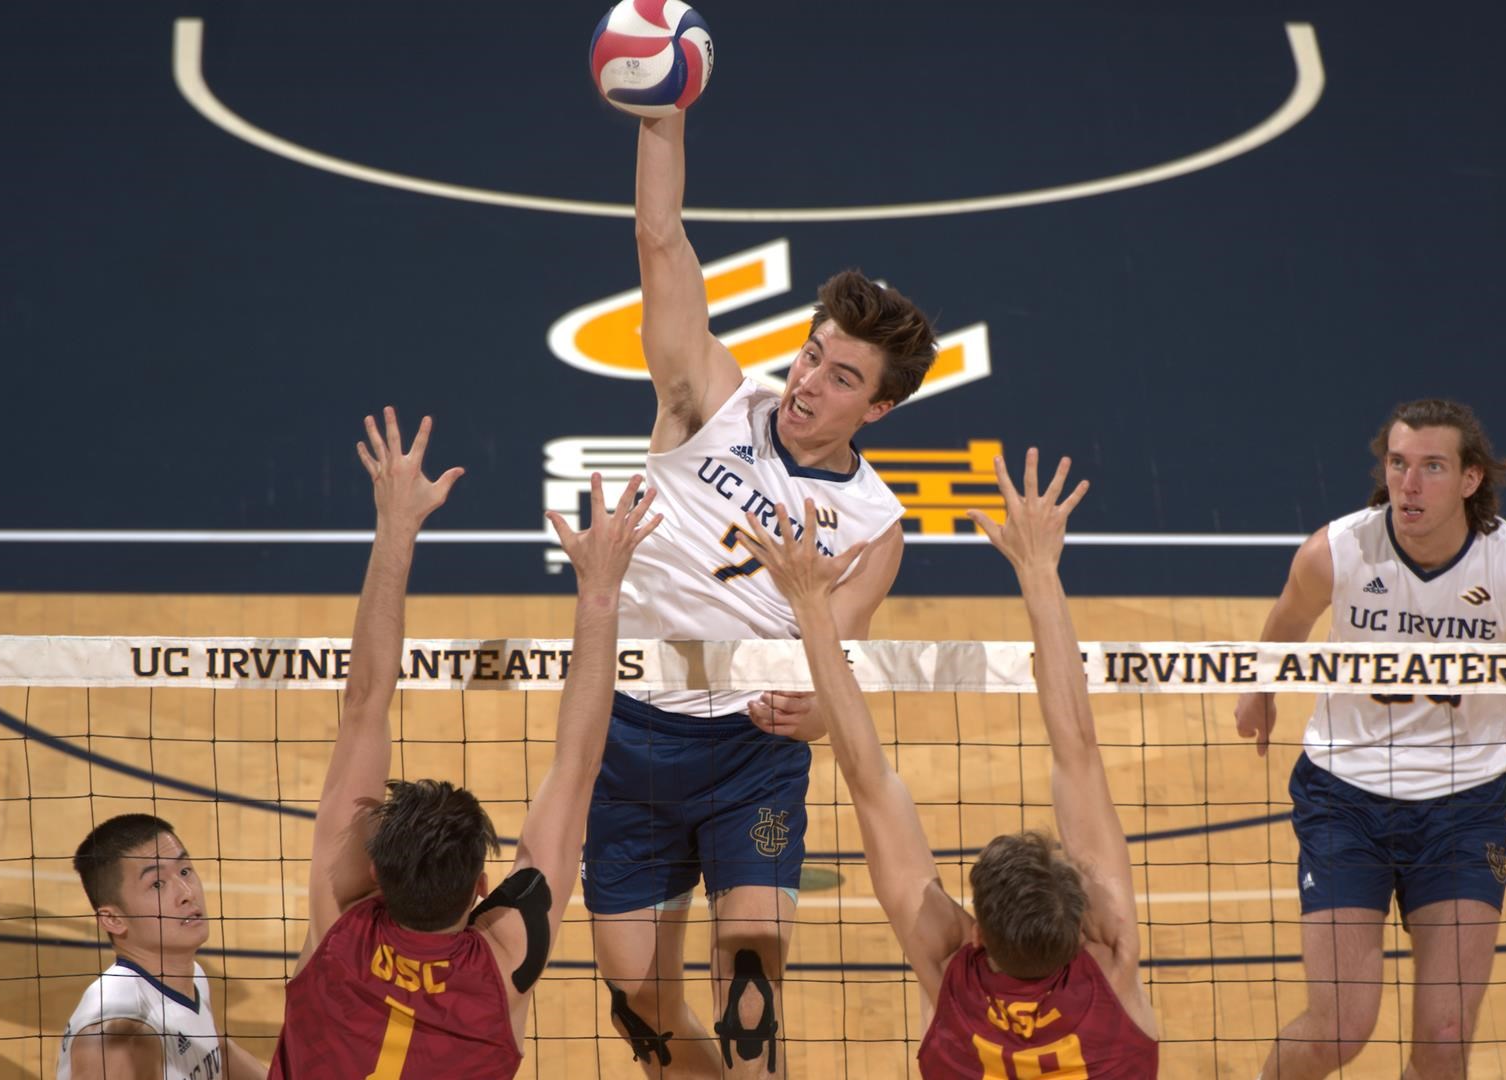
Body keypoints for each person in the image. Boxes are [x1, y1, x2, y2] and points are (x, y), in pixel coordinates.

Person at [590, 109, 939, 1078]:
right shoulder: (706, 399)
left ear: (879, 407)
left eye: (841, 377)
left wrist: (821, 712)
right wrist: (664, 122)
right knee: (640, 1012)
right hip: (626, 740)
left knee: (750, 1004)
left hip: (751, 760)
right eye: (811, 356)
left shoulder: (874, 525)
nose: (809, 383)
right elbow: (660, 241)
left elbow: (842, 675)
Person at [736, 449, 1159, 1079]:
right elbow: (1080, 749)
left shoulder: (950, 974)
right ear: (1077, 932)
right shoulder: (1111, 961)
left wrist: (810, 606)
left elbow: (869, 778)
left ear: (978, 936)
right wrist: (1040, 568)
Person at [266, 408, 660, 1078]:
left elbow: (364, 704)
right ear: (481, 888)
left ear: (375, 876)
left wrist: (394, 527)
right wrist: (600, 591)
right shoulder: (504, 962)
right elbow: (578, 766)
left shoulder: (339, 927)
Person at [1233, 398, 1506, 1078]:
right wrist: (1258, 689)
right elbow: (1289, 618)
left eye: (1432, 468)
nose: (1409, 485)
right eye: (1399, 464)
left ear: (1471, 480)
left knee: (1442, 1046)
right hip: (1343, 802)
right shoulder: (1337, 550)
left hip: (1463, 815)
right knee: (1340, 1031)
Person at [58, 815, 267, 1079]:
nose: (186, 893)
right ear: (113, 919)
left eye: (184, 871)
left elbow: (216, 1051)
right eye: (157, 884)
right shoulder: (120, 1035)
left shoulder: (190, 975)